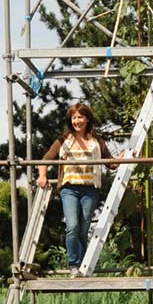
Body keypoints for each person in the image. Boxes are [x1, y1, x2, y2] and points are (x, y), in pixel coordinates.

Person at [38, 103, 113, 277]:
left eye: (80, 117)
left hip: (90, 190)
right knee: (72, 225)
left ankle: (83, 265)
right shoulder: (63, 140)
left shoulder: (96, 141)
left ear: (87, 119)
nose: (77, 121)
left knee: (83, 228)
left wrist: (124, 158)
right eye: (73, 118)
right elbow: (46, 159)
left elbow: (111, 163)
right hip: (69, 188)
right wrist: (43, 175)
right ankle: (73, 264)